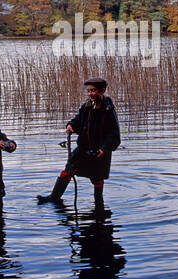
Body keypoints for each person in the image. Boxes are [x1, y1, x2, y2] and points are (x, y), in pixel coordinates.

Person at [37, 77, 121, 210]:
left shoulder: (108, 110)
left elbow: (114, 136)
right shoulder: (87, 106)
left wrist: (104, 149)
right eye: (88, 91)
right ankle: (54, 197)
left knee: (97, 178)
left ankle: (99, 204)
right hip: (83, 148)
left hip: (99, 152)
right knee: (68, 169)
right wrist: (71, 125)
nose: (90, 94)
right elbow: (78, 119)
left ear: (102, 90)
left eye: (93, 91)